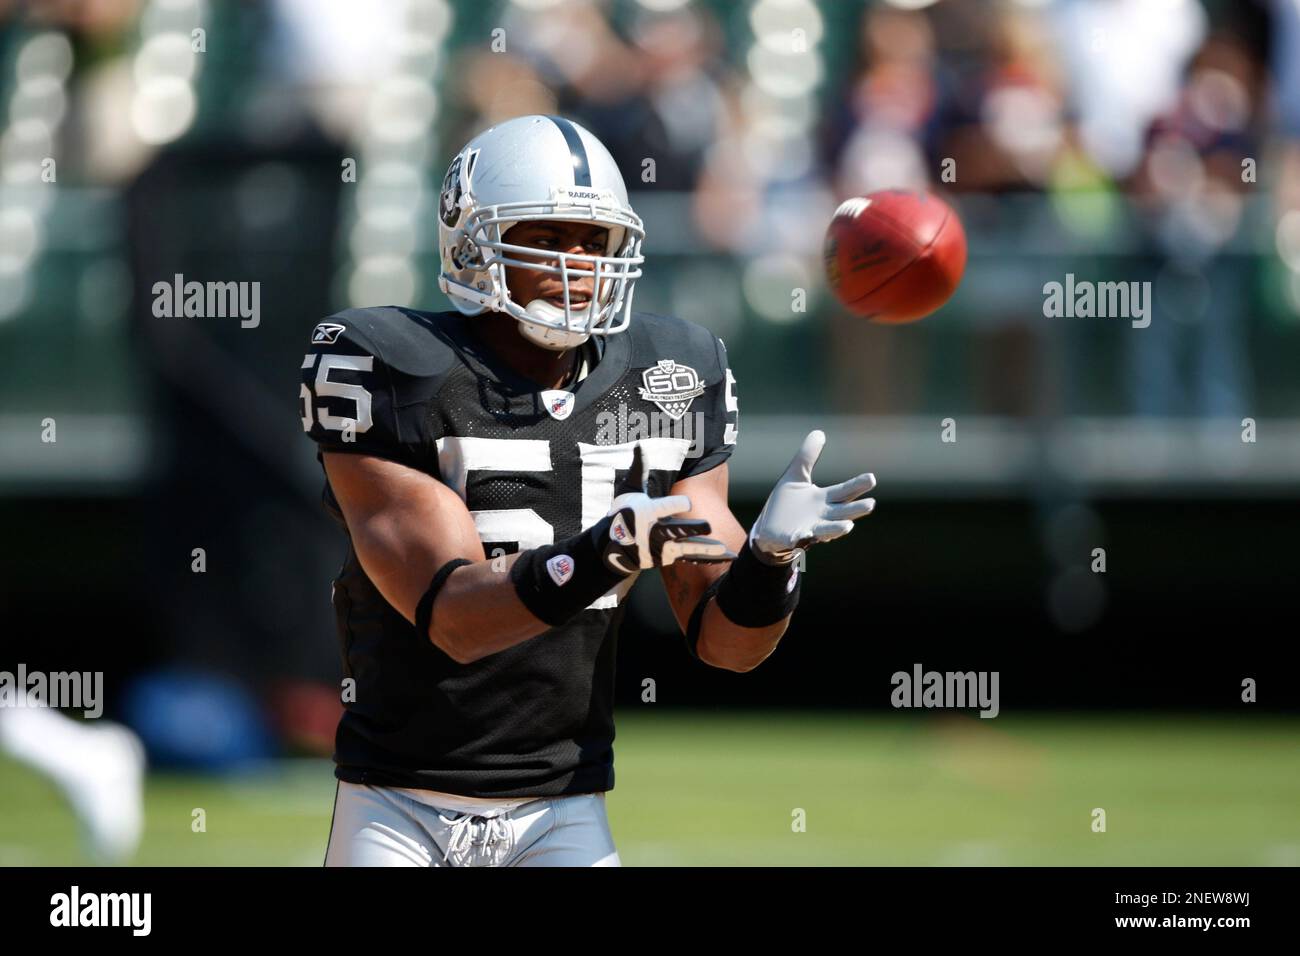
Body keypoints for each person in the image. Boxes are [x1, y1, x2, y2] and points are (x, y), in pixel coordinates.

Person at [300, 115, 877, 867]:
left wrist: (769, 565)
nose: (578, 265)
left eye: (593, 240)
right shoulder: (391, 365)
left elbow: (728, 646)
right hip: (399, 804)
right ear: (470, 240)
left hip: (564, 808)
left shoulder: (671, 372)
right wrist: (605, 550)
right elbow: (457, 618)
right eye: (546, 237)